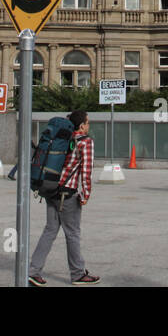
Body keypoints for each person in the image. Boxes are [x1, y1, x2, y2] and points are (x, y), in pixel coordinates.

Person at [28, 109, 100, 286]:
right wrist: (86, 194)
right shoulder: (85, 142)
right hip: (68, 194)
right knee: (73, 233)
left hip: (51, 189)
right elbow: (86, 170)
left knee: (50, 230)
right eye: (88, 122)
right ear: (82, 125)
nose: (89, 125)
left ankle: (32, 271)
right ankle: (77, 274)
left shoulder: (65, 137)